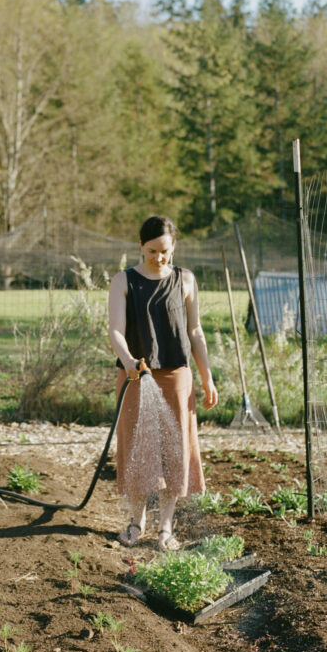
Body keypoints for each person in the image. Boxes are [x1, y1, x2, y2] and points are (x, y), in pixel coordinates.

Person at [108, 214, 218, 548]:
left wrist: (207, 377)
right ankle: (136, 523)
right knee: (140, 449)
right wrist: (128, 362)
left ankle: (165, 529)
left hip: (176, 375)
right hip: (137, 376)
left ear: (174, 248)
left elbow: (195, 331)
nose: (159, 258)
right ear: (140, 246)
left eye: (165, 251)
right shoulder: (124, 281)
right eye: (153, 251)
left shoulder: (185, 280)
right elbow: (115, 329)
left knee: (175, 452)